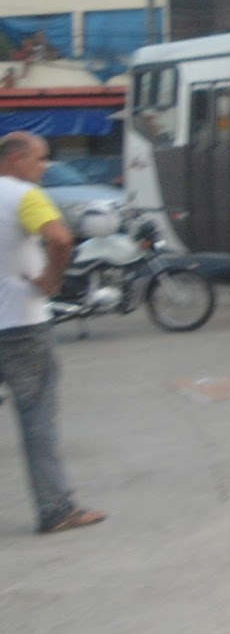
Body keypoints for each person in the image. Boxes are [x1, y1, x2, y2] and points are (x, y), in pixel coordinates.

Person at [0, 131, 107, 535]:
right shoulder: (24, 196)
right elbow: (60, 238)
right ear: (16, 159)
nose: (44, 168)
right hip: (22, 328)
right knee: (37, 419)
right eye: (40, 159)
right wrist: (51, 279)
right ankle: (56, 509)